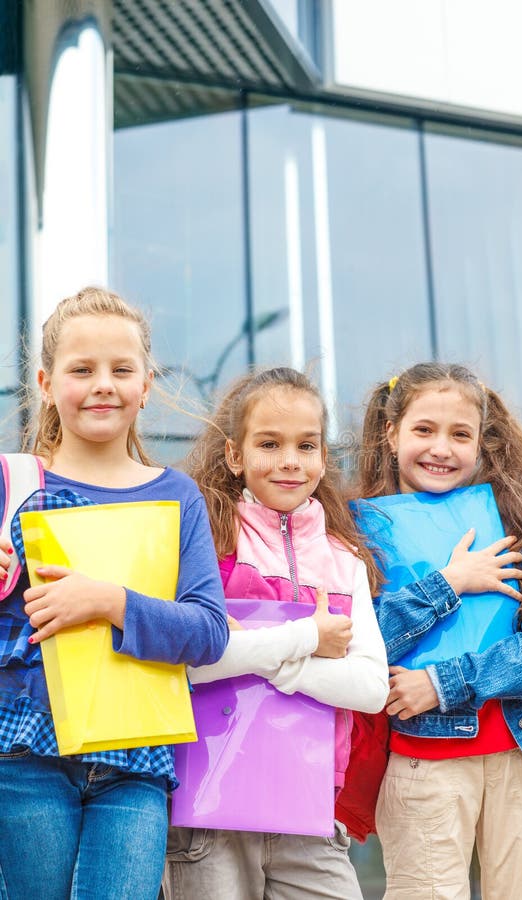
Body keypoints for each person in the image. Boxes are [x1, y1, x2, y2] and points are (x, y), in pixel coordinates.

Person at [0, 287, 228, 900]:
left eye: (121, 370)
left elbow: (209, 632)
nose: (104, 384)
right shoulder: (10, 485)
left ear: (146, 385)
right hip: (23, 759)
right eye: (82, 369)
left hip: (136, 762)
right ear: (46, 383)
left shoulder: (177, 495)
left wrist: (110, 602)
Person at [357, 362, 522, 900]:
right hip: (422, 760)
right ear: (391, 434)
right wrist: (449, 583)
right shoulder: (362, 532)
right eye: (423, 430)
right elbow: (366, 645)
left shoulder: (518, 523)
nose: (442, 448)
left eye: (460, 434)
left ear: (481, 441)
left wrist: (442, 683)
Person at [163, 366, 389, 900]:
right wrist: (309, 638)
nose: (290, 460)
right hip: (208, 811)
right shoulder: (206, 545)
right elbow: (193, 663)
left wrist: (259, 653)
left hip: (309, 809)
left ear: (323, 458)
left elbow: (371, 688)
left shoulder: (345, 559)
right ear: (234, 455)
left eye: (305, 445)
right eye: (269, 443)